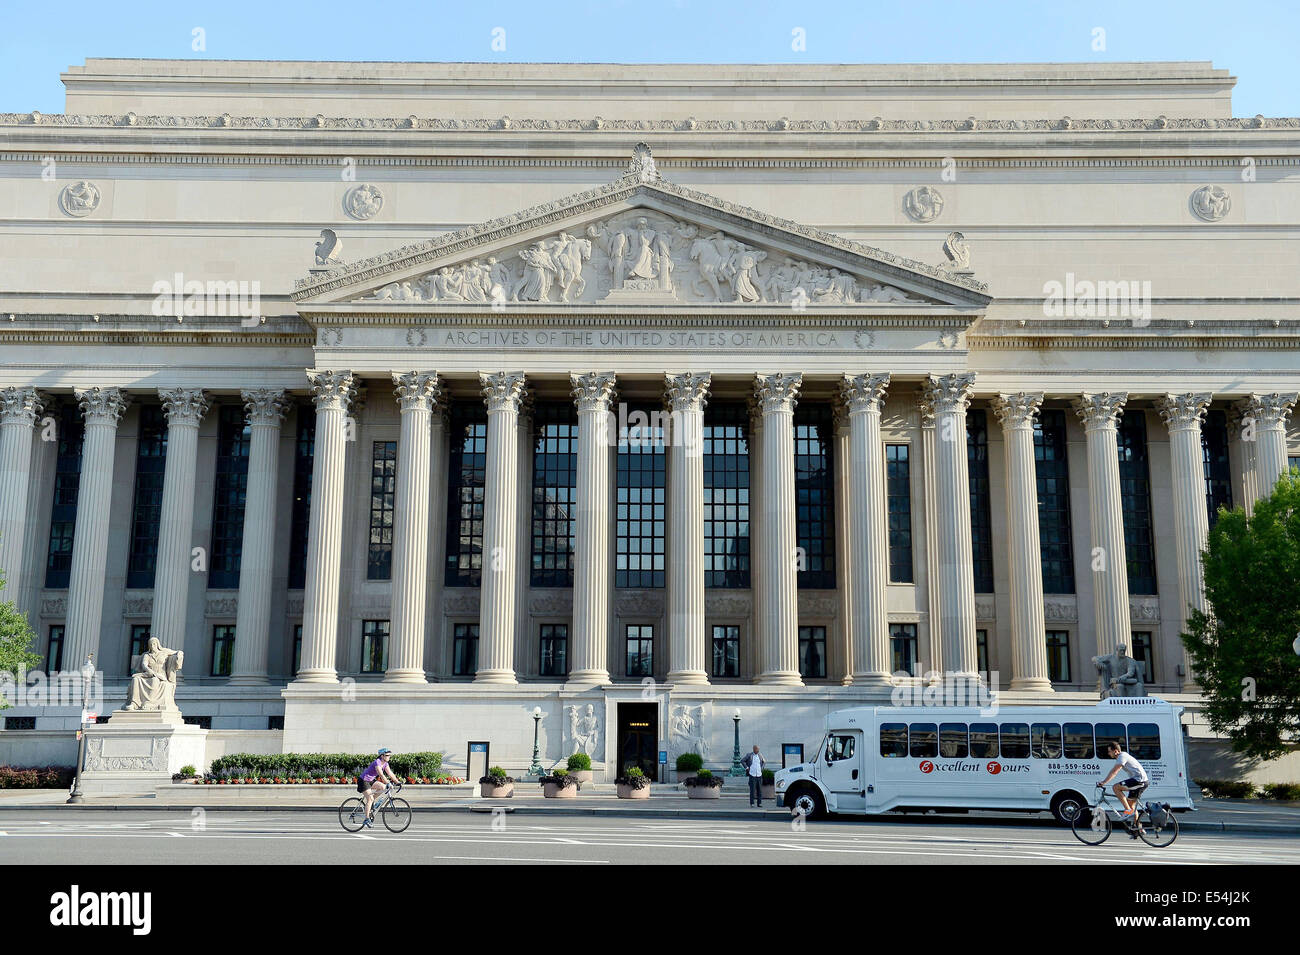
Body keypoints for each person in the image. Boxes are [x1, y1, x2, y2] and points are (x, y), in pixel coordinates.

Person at [1098, 741, 1149, 831]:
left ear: (1116, 751)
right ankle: (1138, 829)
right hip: (1141, 781)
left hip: (1139, 780)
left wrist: (1104, 782)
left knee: (1115, 787)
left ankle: (1127, 811)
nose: (1108, 753)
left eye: (1109, 751)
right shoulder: (1122, 756)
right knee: (1131, 806)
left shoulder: (1122, 756)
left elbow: (1114, 771)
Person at [358, 748, 401, 829]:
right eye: (387, 755)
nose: (389, 757)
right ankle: (367, 819)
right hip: (363, 780)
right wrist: (388, 783)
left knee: (383, 787)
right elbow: (381, 775)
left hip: (371, 780)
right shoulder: (377, 762)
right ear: (382, 756)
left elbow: (390, 773)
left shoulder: (385, 764)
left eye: (389, 755)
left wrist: (397, 782)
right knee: (370, 799)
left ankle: (372, 803)